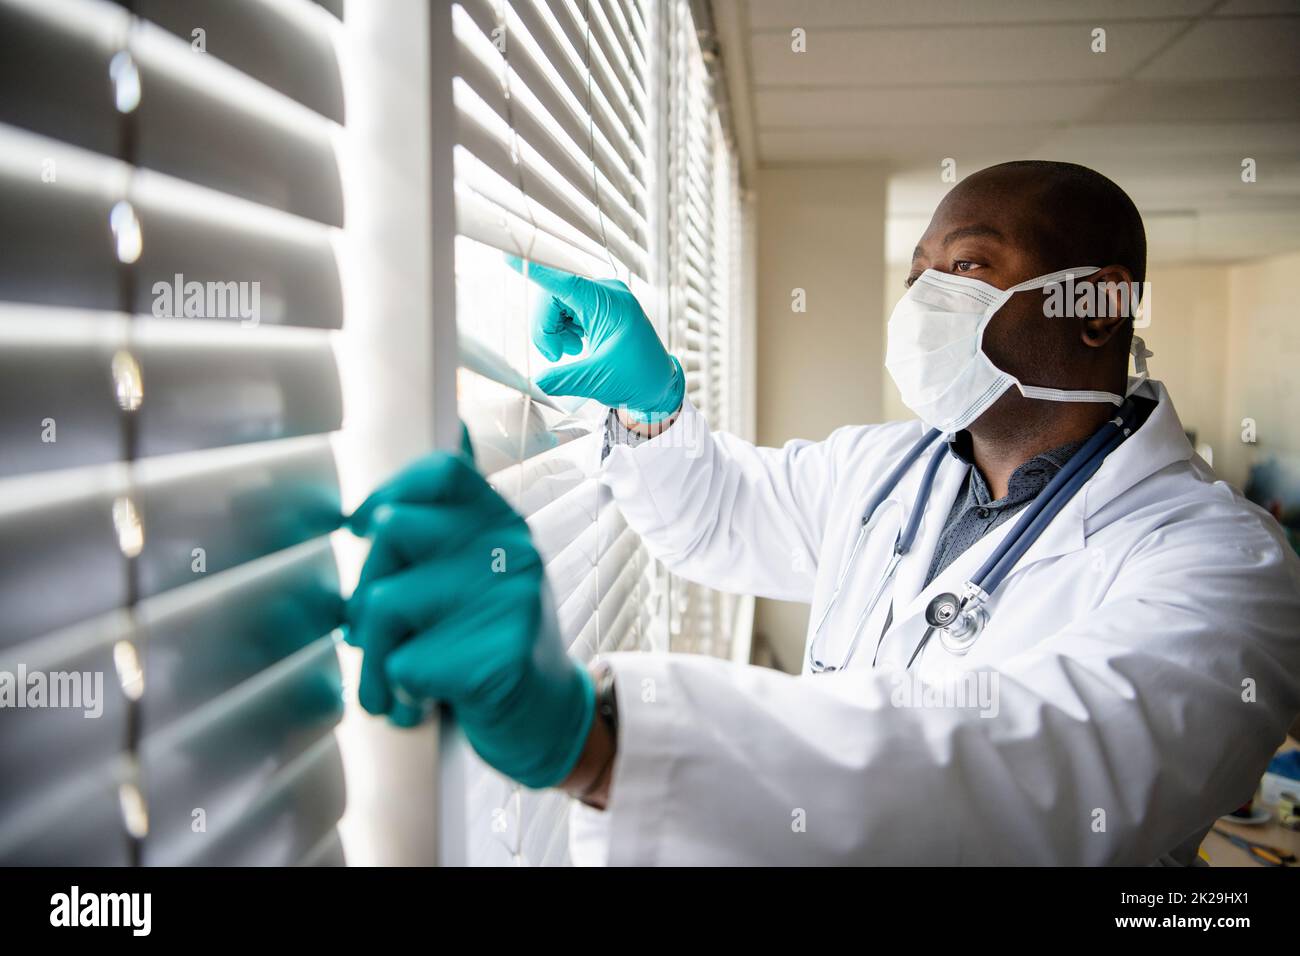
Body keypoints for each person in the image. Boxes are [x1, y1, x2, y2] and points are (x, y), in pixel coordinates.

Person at [345, 161, 1300, 865]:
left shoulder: (1226, 570)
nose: (924, 298)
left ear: (1095, 311)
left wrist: (599, 741)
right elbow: (725, 517)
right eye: (916, 272)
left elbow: (1044, 770)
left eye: (966, 268)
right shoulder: (892, 469)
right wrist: (646, 407)